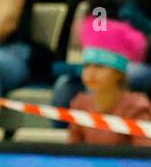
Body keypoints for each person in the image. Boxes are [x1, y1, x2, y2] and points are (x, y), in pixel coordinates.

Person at [65, 17, 151, 145]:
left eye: (100, 67)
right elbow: (72, 155)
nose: (91, 73)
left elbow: (143, 158)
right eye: (87, 65)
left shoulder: (136, 108)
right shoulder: (80, 105)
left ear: (119, 74)